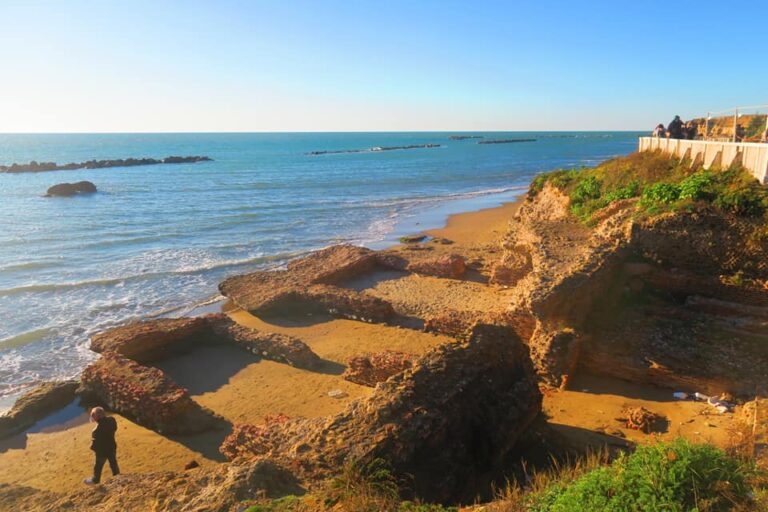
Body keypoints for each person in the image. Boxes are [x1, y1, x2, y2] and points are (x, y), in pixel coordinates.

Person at [84, 407, 119, 485]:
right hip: (112, 446)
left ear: (97, 416)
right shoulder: (112, 420)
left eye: (93, 415)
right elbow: (115, 428)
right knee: (113, 463)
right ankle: (117, 477)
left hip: (102, 452)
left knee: (98, 467)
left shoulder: (96, 430)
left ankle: (95, 480)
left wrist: (92, 447)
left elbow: (95, 445)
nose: (92, 416)